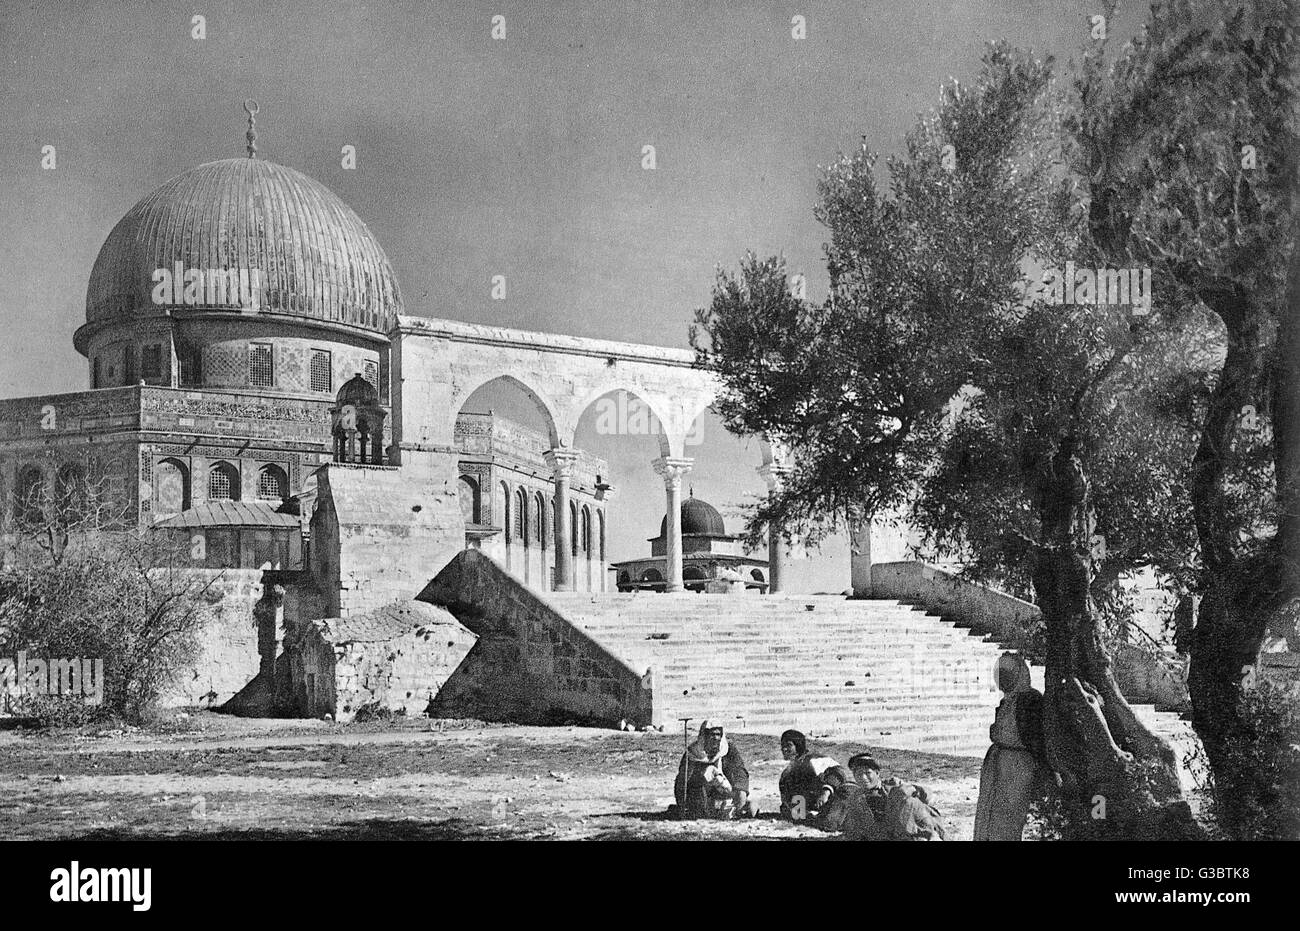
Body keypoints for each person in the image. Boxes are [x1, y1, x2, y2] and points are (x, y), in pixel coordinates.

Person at [973, 652, 1047, 841]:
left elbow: (1035, 738)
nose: (1003, 679)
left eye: (1007, 674)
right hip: (998, 765)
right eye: (1001, 674)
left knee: (1008, 818)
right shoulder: (1007, 700)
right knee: (989, 815)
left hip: (1017, 769)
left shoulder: (1031, 700)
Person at [840, 754, 946, 840]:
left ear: (877, 773)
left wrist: (912, 789)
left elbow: (928, 796)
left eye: (868, 773)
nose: (863, 778)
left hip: (918, 829)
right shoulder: (856, 799)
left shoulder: (893, 785)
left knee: (903, 796)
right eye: (858, 774)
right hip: (887, 834)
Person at [673, 720, 755, 819]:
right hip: (699, 793)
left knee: (750, 809)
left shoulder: (728, 750)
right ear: (705, 736)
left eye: (718, 734)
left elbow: (739, 771)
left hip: (723, 791)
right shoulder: (693, 753)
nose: (716, 738)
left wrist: (741, 790)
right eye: (712, 734)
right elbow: (682, 779)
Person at [777, 729, 854, 829]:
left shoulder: (814, 760)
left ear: (798, 746)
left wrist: (826, 791)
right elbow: (790, 802)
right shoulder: (787, 774)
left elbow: (838, 773)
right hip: (819, 810)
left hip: (837, 801)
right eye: (782, 746)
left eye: (788, 745)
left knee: (831, 823)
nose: (784, 749)